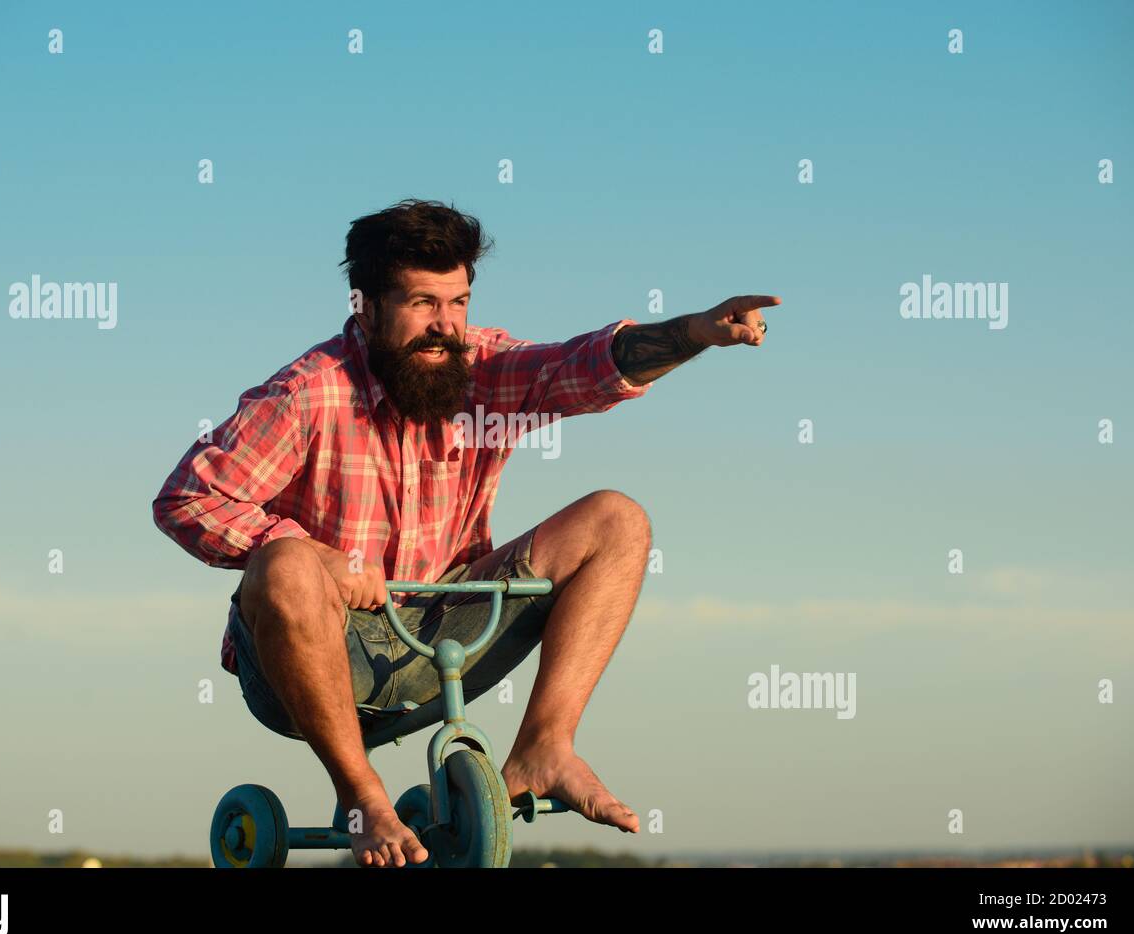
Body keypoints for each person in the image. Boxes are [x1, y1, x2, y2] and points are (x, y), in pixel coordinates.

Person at [152, 198, 779, 867]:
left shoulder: (480, 367)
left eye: (458, 302)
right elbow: (187, 496)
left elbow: (578, 367)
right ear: (365, 306)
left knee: (618, 520)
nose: (445, 326)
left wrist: (695, 333)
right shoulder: (310, 392)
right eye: (423, 303)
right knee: (284, 565)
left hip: (440, 632)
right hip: (316, 652)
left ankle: (544, 747)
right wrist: (315, 555)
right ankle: (364, 796)